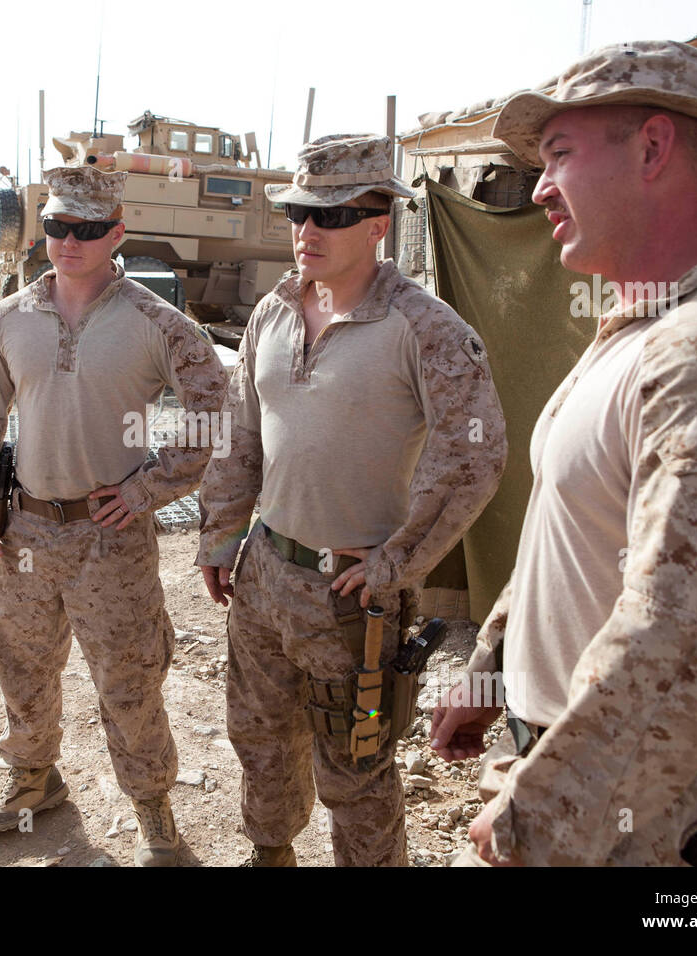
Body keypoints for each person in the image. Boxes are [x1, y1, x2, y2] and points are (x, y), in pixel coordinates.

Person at [430, 39, 697, 866]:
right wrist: (494, 665)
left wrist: (538, 815)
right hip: (575, 771)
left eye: (560, 155)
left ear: (652, 148)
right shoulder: (643, 327)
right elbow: (570, 527)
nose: (540, 186)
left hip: (630, 810)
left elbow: (688, 636)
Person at [196, 134, 507, 866]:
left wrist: (398, 561)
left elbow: (475, 451)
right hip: (264, 574)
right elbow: (241, 431)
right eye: (299, 212)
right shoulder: (272, 314)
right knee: (261, 742)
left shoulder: (424, 327)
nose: (307, 230)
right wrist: (220, 534)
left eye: (329, 215)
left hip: (351, 602)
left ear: (378, 222)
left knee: (356, 772)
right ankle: (270, 853)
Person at [0, 164, 228, 866]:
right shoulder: (10, 319)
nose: (67, 242)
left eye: (85, 230)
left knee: (128, 678)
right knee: (22, 667)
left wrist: (148, 488)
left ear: (118, 234)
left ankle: (153, 812)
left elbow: (214, 411)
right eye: (55, 226)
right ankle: (32, 781)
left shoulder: (154, 322)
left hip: (109, 539)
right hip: (24, 531)